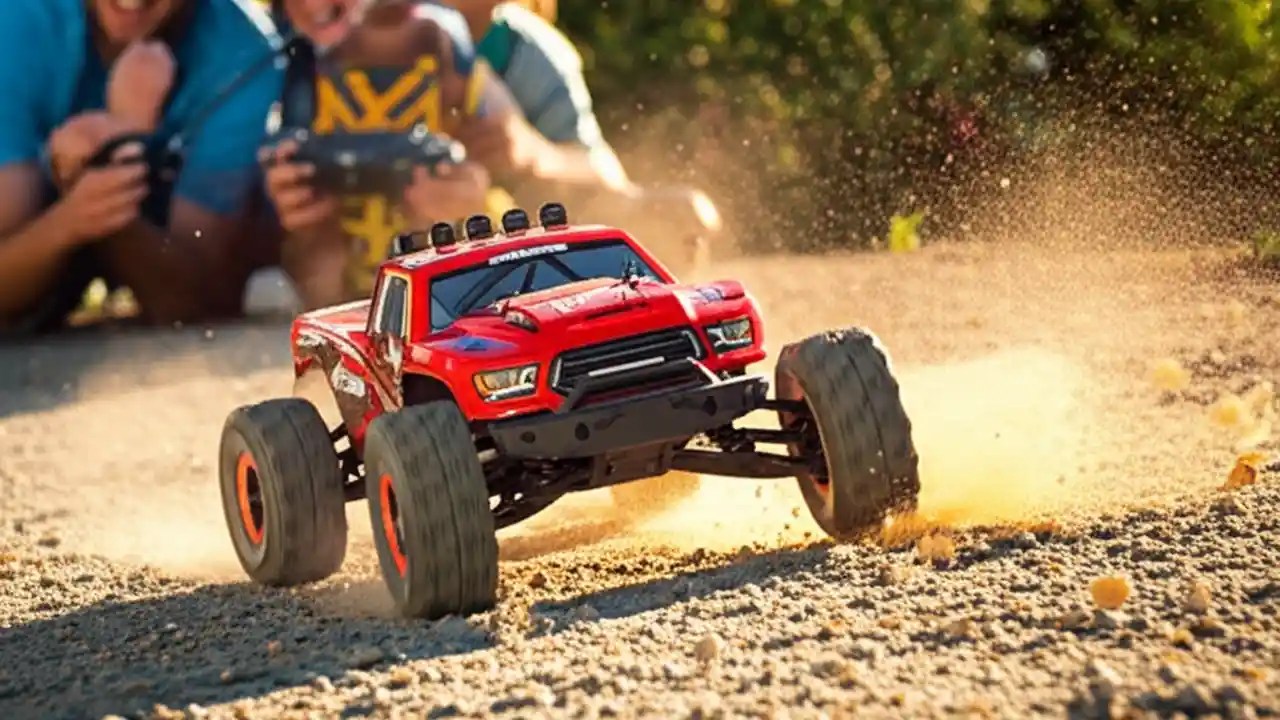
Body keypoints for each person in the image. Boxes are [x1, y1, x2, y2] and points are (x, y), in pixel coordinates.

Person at [0, 0, 285, 335]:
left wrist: (112, 155)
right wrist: (68, 221)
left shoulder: (244, 54)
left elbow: (196, 300)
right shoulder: (17, 20)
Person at [262, 0, 531, 307]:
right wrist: (294, 207)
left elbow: (509, 158)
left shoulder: (448, 50)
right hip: (344, 281)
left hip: (441, 279)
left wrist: (472, 194)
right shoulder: (296, 70)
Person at [447, 0, 723, 266]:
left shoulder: (527, 51)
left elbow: (598, 171)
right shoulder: (409, 29)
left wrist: (532, 152)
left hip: (498, 245)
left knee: (680, 218)